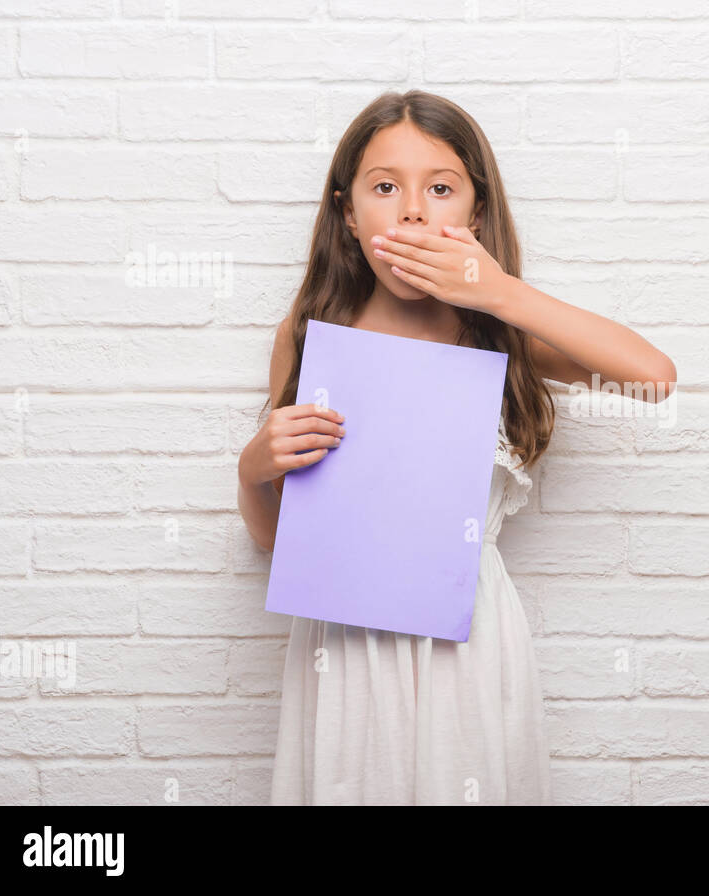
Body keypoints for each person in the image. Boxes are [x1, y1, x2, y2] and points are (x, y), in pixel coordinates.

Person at [236, 90, 677, 804]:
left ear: (474, 213)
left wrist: (502, 293)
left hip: (464, 639)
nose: (413, 210)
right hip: (344, 645)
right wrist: (254, 470)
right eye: (386, 188)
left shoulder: (497, 333)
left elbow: (653, 379)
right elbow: (272, 542)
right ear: (349, 215)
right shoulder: (311, 333)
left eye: (440, 189)